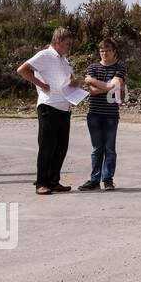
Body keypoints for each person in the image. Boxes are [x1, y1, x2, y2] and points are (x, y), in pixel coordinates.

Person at [17, 27, 83, 195]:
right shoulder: (45, 55)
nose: (69, 47)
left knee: (61, 147)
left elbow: (64, 79)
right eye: (67, 44)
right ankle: (41, 183)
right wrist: (41, 85)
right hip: (49, 106)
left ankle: (54, 181)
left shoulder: (64, 59)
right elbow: (22, 69)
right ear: (58, 42)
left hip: (64, 106)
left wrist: (73, 83)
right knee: (47, 146)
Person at [79, 38, 127, 191]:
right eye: (101, 51)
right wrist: (109, 86)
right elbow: (92, 91)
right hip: (94, 114)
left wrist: (93, 81)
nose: (104, 53)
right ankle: (94, 179)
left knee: (110, 148)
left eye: (107, 50)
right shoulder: (93, 67)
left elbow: (114, 85)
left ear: (114, 52)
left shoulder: (119, 68)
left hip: (111, 115)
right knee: (96, 148)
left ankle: (108, 179)